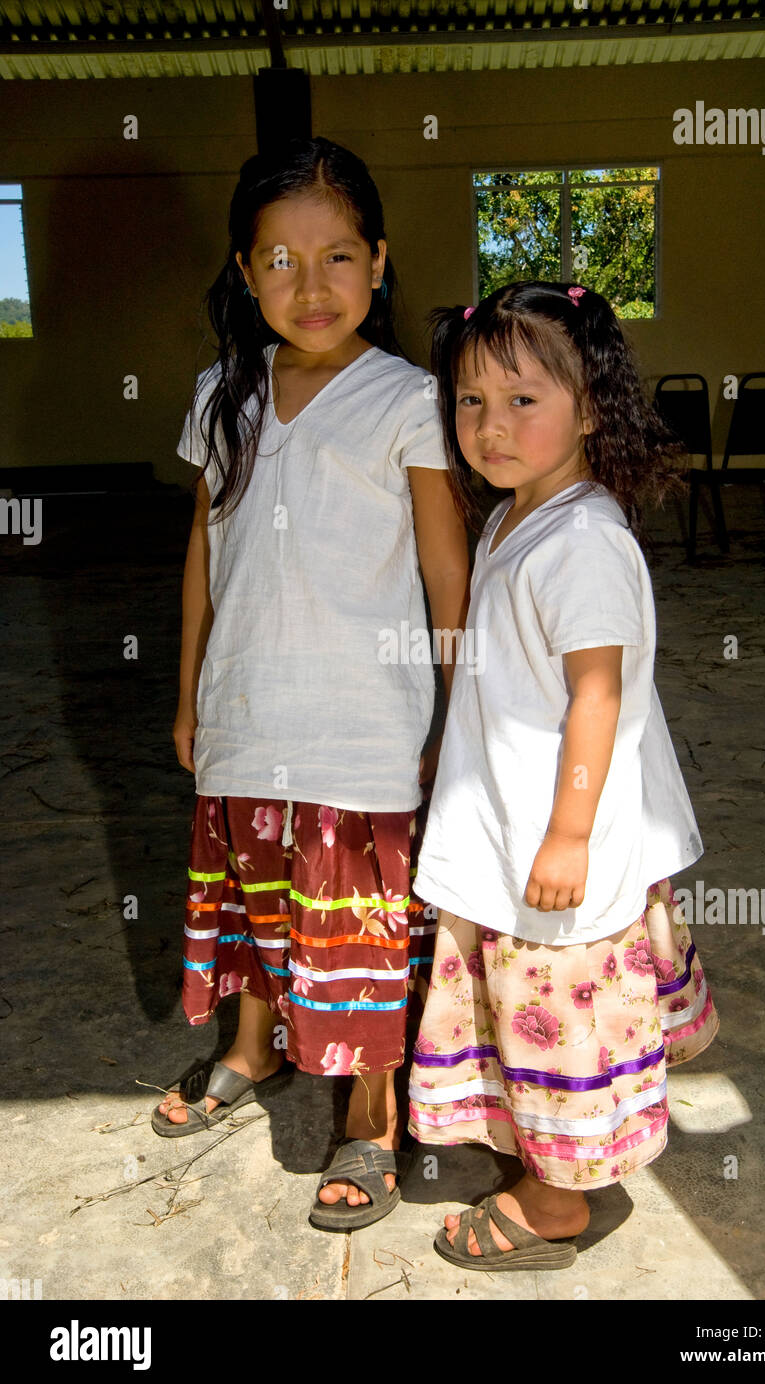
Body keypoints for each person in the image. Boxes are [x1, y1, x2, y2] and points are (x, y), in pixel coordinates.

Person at [155, 138, 469, 1233]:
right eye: (279, 260)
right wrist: (191, 692)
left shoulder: (408, 399)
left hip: (361, 731)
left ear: (379, 264)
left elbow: (444, 569)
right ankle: (255, 1045)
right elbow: (206, 551)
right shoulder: (220, 394)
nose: (311, 284)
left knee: (356, 930)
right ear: (245, 274)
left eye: (337, 256)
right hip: (249, 714)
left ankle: (373, 1117)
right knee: (251, 903)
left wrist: (455, 706)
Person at [408, 281, 720, 1271]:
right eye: (468, 402)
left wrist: (569, 834)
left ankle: (555, 1201)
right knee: (529, 1009)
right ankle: (545, 1149)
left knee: (556, 1017)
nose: (489, 426)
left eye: (521, 400)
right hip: (516, 816)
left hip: (558, 836)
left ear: (589, 407)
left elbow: (598, 695)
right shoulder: (515, 517)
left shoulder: (583, 540)